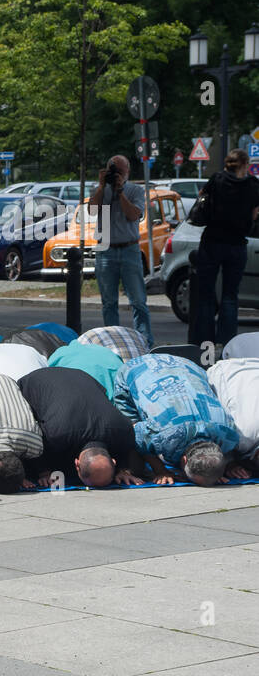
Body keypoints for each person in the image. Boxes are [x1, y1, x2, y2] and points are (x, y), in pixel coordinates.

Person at [113, 353, 249, 486]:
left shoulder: (228, 432)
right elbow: (136, 437)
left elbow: (226, 457)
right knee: (130, 425)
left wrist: (225, 468)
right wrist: (160, 470)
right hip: (135, 369)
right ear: (184, 460)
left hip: (187, 364)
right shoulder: (163, 435)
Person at [18, 366, 141, 488]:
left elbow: (127, 450)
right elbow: (32, 442)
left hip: (83, 376)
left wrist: (124, 471)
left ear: (114, 462)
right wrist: (44, 473)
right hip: (32, 382)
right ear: (77, 464)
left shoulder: (124, 430)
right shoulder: (55, 435)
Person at [193, 149, 259, 347]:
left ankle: (205, 344)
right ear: (245, 165)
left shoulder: (216, 180)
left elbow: (202, 199)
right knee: (230, 296)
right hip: (237, 245)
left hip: (212, 241)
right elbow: (255, 214)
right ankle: (226, 344)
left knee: (206, 295)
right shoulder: (253, 185)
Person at [87, 154, 152, 349]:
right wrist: (101, 187)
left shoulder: (135, 190)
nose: (117, 176)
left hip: (129, 249)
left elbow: (133, 215)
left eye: (121, 172)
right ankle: (113, 344)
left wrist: (120, 191)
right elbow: (91, 212)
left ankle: (145, 342)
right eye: (114, 172)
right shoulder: (99, 190)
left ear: (128, 173)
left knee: (139, 301)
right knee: (109, 302)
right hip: (106, 250)